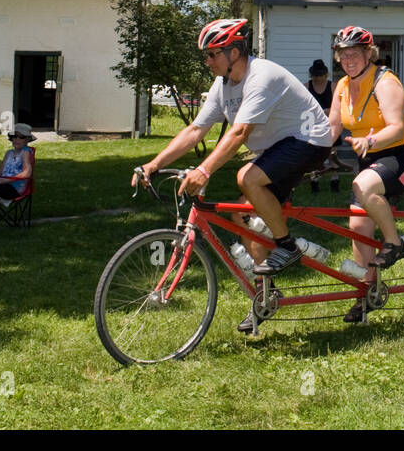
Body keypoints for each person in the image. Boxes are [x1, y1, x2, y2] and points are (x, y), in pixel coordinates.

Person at [132, 18, 334, 334]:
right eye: (207, 55)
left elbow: (239, 132)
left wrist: (204, 169)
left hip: (310, 139)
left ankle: (287, 246)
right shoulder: (222, 86)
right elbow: (196, 130)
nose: (207, 61)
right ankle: (265, 296)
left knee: (247, 178)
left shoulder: (261, 77)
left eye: (213, 54)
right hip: (278, 147)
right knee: (241, 217)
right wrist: (153, 164)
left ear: (235, 52)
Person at [326, 26, 404, 322]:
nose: (349, 59)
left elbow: (395, 126)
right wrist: (306, 152)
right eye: (343, 54)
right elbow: (332, 128)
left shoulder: (385, 82)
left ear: (369, 54)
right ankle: (367, 293)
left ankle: (394, 242)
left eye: (355, 53)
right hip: (370, 158)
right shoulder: (343, 86)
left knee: (363, 186)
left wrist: (369, 140)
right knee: (358, 226)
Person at [305, 59, 339, 193]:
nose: (318, 78)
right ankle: (315, 183)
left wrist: (329, 110)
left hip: (330, 124)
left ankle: (335, 181)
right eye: (315, 76)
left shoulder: (333, 86)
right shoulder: (306, 86)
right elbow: (301, 106)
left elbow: (340, 105)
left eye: (320, 76)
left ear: (325, 75)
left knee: (332, 154)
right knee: (314, 156)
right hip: (313, 125)